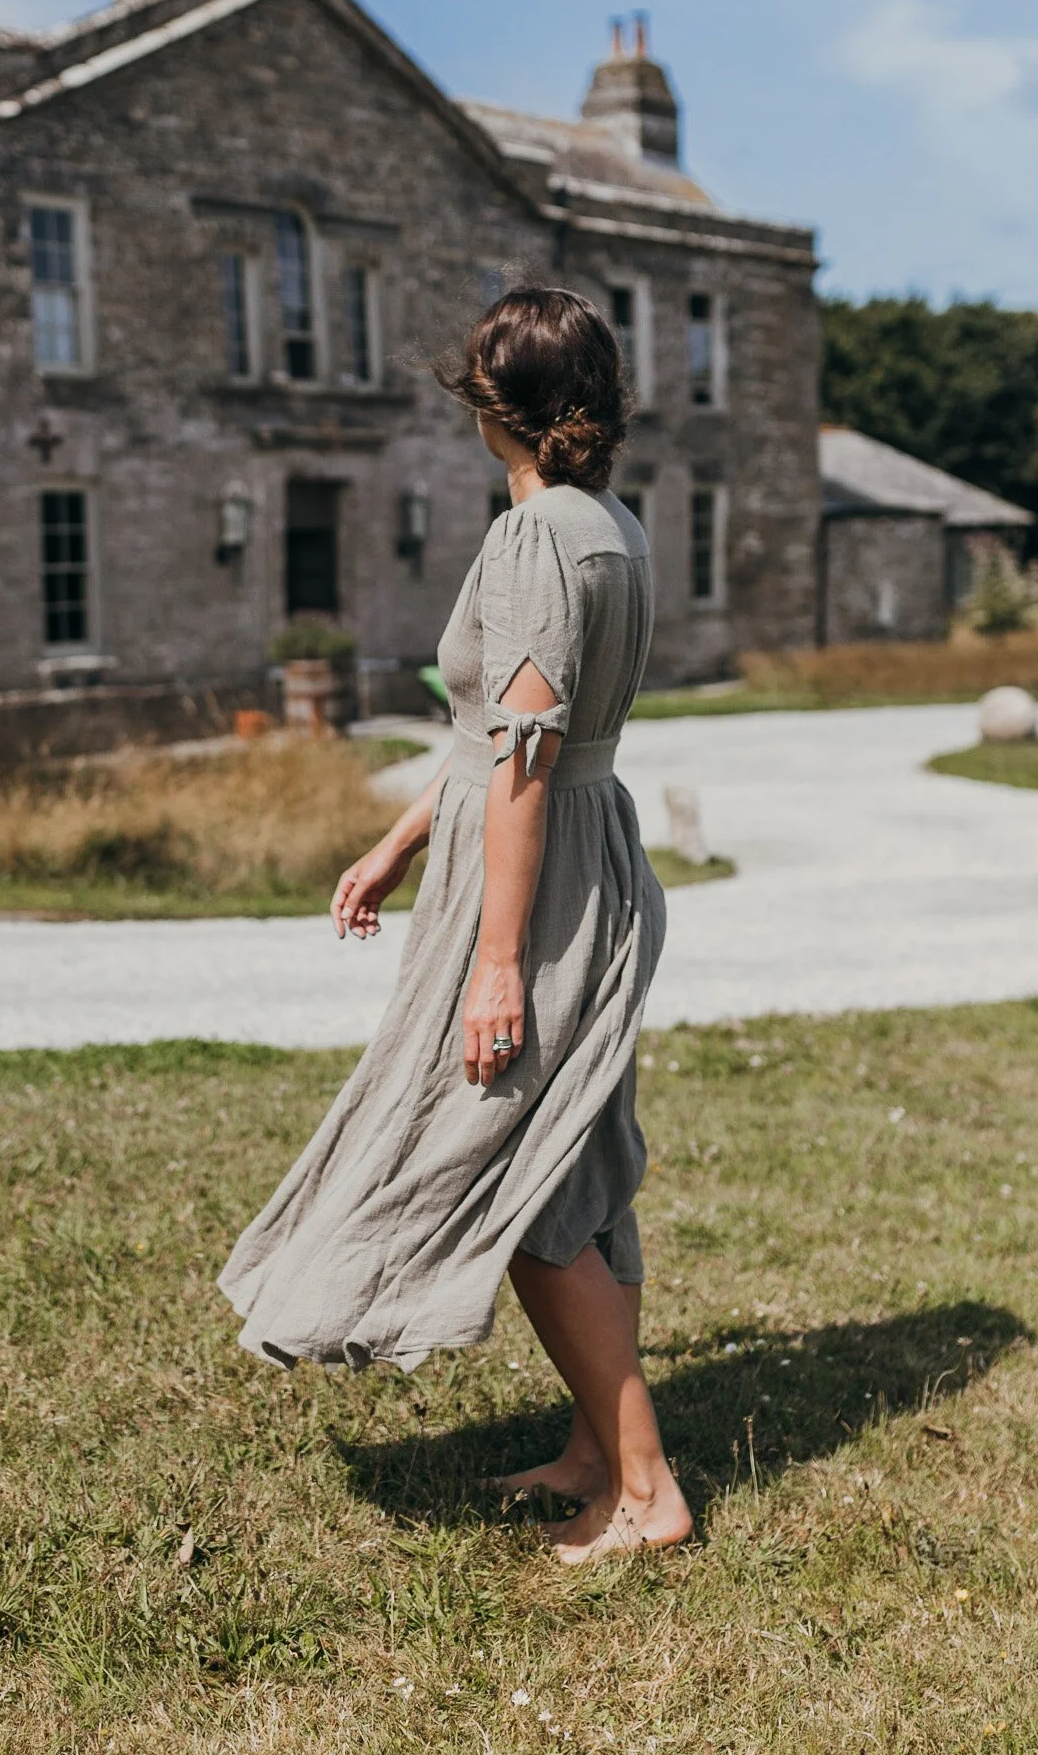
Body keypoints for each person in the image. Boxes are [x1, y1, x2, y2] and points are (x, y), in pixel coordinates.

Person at [219, 286, 692, 1563]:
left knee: (507, 1175)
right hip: (583, 855)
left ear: (500, 408)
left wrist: (496, 965)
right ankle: (596, 1451)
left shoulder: (538, 540)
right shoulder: (615, 528)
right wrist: (391, 843)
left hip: (538, 891)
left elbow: (524, 768)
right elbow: (499, 748)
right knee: (580, 1171)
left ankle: (646, 1494)